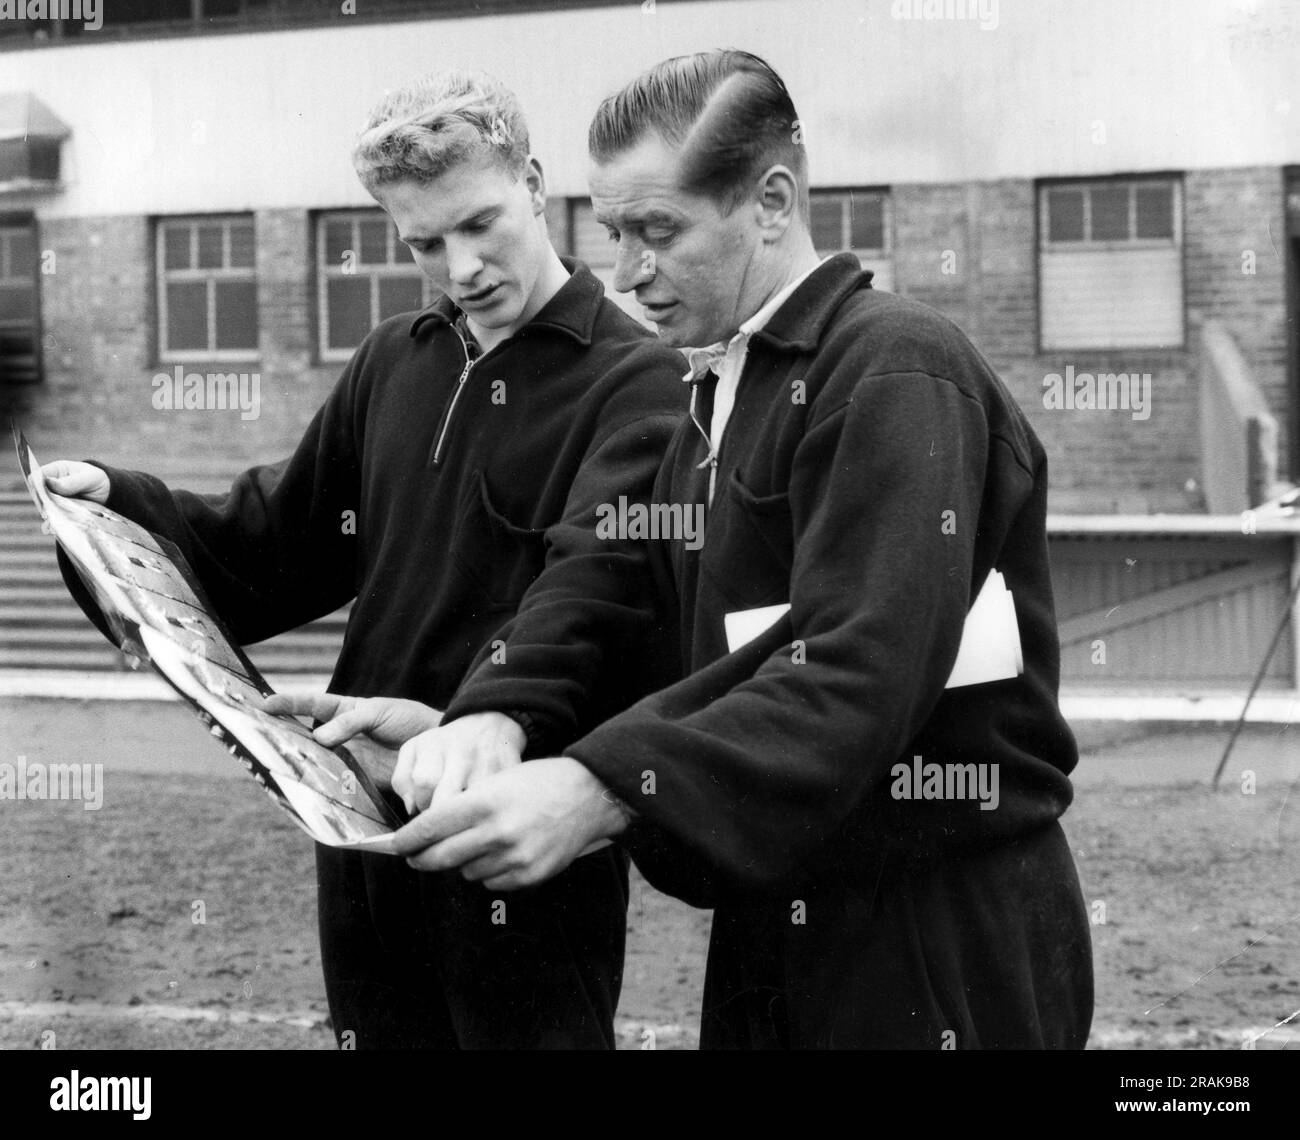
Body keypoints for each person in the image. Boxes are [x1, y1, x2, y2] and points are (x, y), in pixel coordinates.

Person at [362, 49, 1095, 1049]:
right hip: (777, 922)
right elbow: (670, 634)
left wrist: (603, 787)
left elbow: (855, 667)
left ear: (771, 200)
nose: (628, 273)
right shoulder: (708, 397)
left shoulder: (898, 370)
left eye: (659, 231)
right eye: (615, 234)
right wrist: (488, 720)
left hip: (930, 927)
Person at [41, 69, 688, 1049]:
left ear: (537, 183)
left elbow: (592, 587)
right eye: (424, 243)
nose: (461, 266)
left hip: (515, 836)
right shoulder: (395, 360)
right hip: (362, 830)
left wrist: (488, 717)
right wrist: (119, 509)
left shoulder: (638, 380)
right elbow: (272, 544)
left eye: (480, 225)